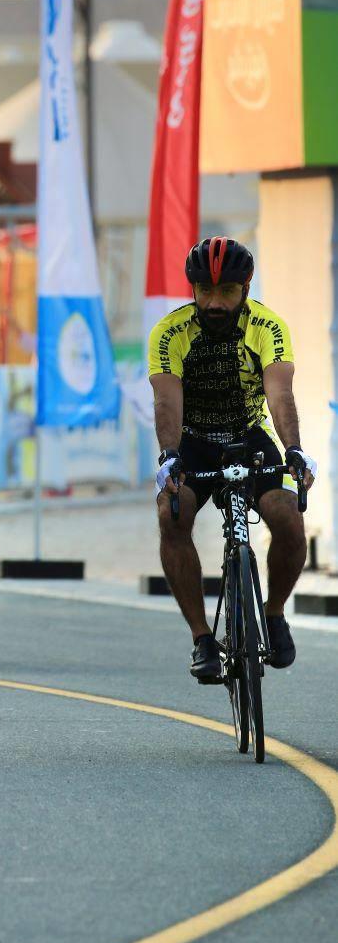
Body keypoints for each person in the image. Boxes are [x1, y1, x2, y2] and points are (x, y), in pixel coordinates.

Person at [149, 235, 315, 683]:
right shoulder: (170, 332)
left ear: (245, 288)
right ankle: (203, 638)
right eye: (205, 291)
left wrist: (294, 448)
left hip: (249, 436)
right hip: (193, 439)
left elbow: (280, 395)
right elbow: (167, 403)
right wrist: (168, 455)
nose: (214, 302)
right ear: (193, 290)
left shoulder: (268, 327)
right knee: (171, 512)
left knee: (287, 517)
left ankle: (275, 613)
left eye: (225, 292)